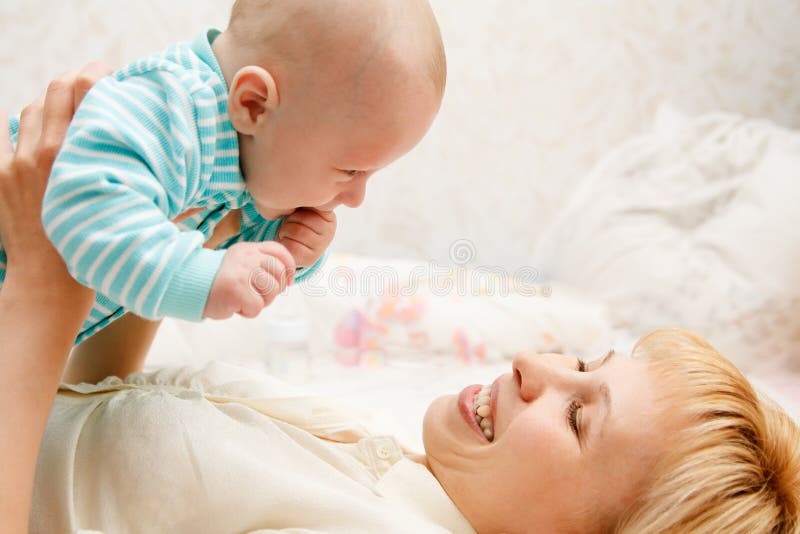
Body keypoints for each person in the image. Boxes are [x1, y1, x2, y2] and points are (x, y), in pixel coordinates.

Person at [3, 72, 798, 534]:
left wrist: (40, 291)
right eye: (586, 364)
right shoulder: (401, 476)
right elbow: (95, 435)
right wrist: (177, 258)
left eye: (579, 417)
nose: (534, 364)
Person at [0, 0, 446, 347]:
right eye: (350, 169)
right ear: (254, 105)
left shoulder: (246, 158)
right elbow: (89, 213)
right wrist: (202, 277)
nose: (355, 197)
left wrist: (287, 248)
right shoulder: (168, 107)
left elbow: (228, 238)